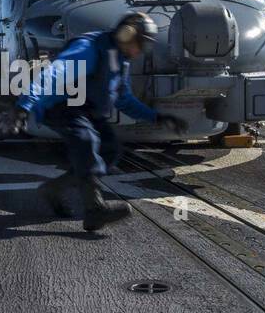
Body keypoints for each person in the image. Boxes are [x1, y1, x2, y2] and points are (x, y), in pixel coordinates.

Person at [15, 12, 187, 231]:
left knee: (110, 151)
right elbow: (55, 73)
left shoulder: (119, 58)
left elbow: (123, 99)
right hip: (60, 105)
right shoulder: (90, 47)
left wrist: (157, 117)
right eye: (141, 43)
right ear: (127, 34)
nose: (141, 51)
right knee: (86, 141)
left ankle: (54, 188)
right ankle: (94, 209)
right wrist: (24, 106)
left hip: (86, 110)